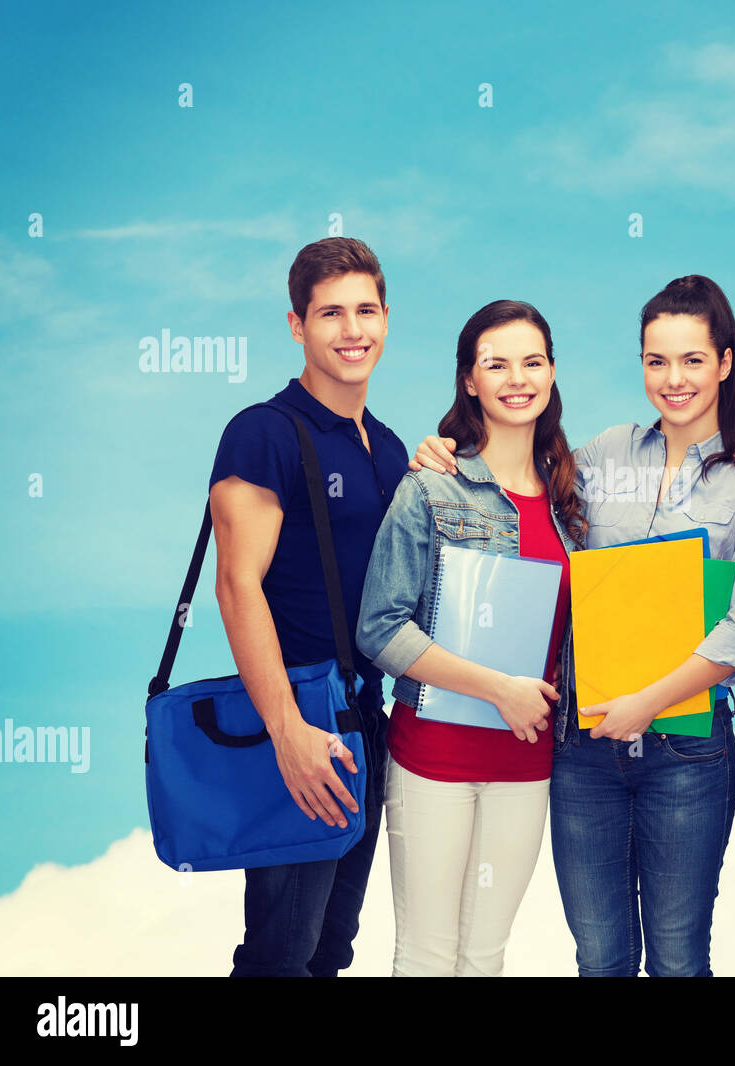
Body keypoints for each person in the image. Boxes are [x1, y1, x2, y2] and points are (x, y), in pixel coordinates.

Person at [414, 275, 735, 976]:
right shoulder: (606, 453)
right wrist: (442, 453)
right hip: (583, 752)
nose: (673, 379)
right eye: (656, 361)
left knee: (676, 957)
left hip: (688, 751)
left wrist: (649, 703)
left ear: (726, 363)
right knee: (601, 957)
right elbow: (514, 483)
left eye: (693, 360)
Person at [356, 300, 584, 977]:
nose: (517, 378)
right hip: (433, 759)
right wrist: (498, 690)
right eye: (497, 364)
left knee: (484, 959)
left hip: (528, 763)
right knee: (427, 957)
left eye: (533, 362)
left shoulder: (576, 501)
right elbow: (380, 628)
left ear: (551, 373)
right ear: (469, 381)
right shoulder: (431, 486)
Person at [209, 237, 410, 976]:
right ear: (297, 326)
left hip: (367, 726)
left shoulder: (387, 449)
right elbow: (237, 586)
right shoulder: (262, 433)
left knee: (328, 952)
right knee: (277, 957)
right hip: (299, 723)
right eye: (330, 313)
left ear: (387, 318)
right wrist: (287, 729)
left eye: (365, 311)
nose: (351, 330)